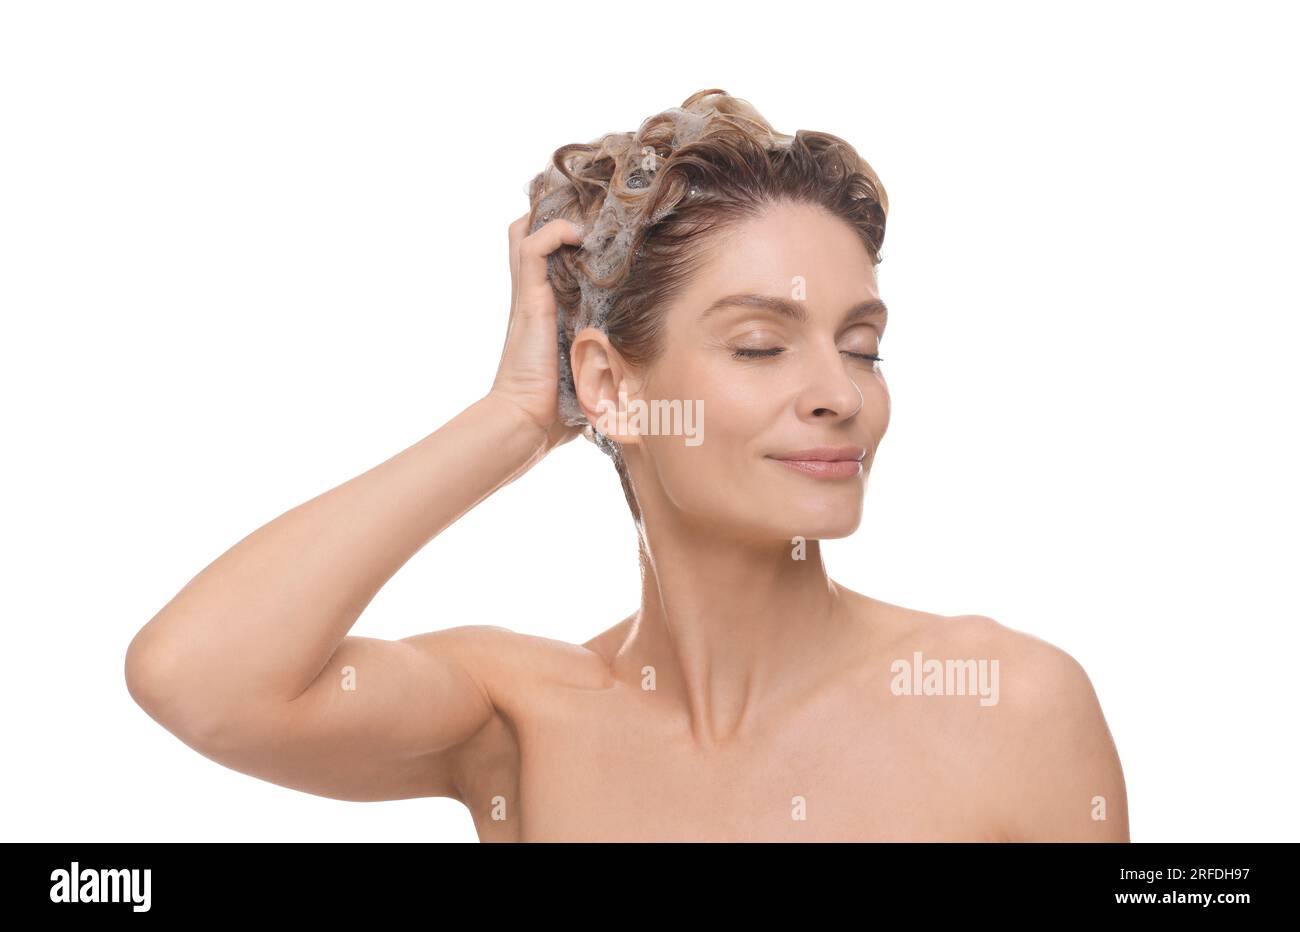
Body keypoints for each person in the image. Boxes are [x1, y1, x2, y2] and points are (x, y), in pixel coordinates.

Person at [125, 89, 1129, 841]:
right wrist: (513, 419)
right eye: (758, 344)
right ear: (612, 385)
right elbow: (198, 677)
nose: (841, 392)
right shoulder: (518, 717)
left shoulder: (1002, 702)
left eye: (861, 345)